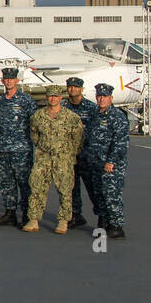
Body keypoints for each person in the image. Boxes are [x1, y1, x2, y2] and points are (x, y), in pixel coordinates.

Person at [24, 85, 84, 234]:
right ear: (46, 97)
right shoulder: (38, 116)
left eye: (56, 96)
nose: (53, 99)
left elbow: (78, 139)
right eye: (50, 96)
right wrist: (44, 148)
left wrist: (70, 154)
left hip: (63, 158)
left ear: (61, 98)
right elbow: (35, 136)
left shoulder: (71, 117)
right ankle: (33, 219)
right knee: (37, 187)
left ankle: (63, 221)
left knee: (65, 189)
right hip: (43, 157)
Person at [0, 68, 37, 227]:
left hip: (21, 149)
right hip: (3, 149)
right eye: (6, 78)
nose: (9, 81)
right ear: (2, 81)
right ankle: (10, 213)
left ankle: (26, 214)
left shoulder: (26, 100)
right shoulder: (0, 101)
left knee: (24, 182)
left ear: (17, 81)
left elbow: (35, 123)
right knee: (6, 182)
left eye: (12, 78)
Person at [87, 83, 127, 239]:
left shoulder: (117, 116)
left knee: (112, 194)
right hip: (96, 162)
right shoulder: (95, 114)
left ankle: (116, 225)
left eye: (104, 96)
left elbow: (120, 142)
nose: (101, 99)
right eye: (99, 96)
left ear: (111, 98)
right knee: (99, 194)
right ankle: (103, 222)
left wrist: (112, 161)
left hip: (110, 164)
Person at [61, 76, 99, 229]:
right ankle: (76, 215)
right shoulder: (63, 107)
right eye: (70, 87)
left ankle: (102, 216)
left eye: (76, 87)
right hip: (69, 155)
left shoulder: (91, 108)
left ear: (81, 89)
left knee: (93, 188)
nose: (72, 90)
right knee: (71, 187)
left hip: (86, 155)